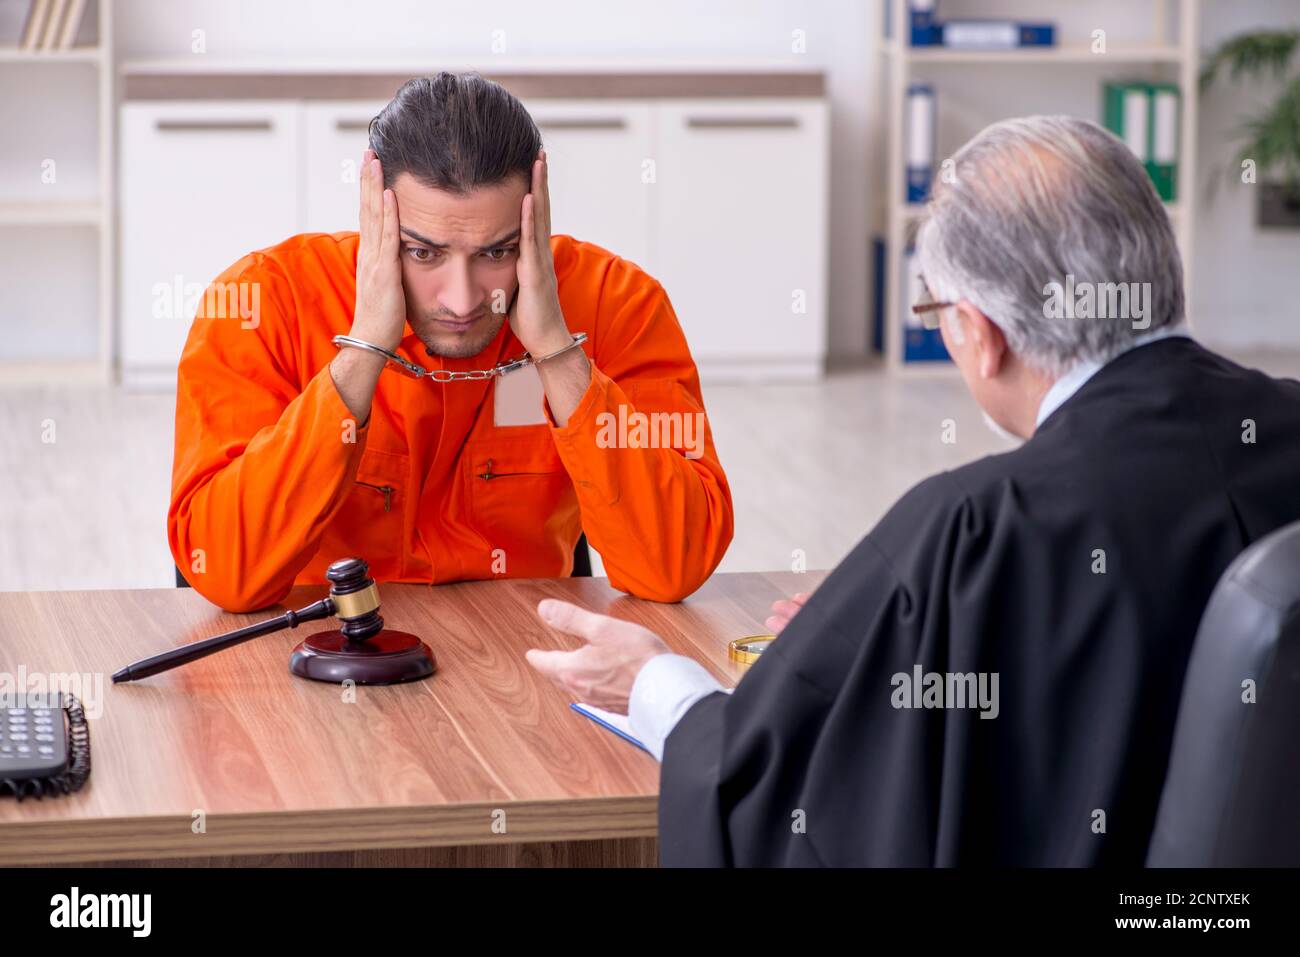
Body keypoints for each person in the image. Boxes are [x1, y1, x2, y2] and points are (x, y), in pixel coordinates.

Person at [526, 115, 1300, 866]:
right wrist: (894, 638)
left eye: (936, 313)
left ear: (981, 333)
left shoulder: (974, 532)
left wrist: (658, 684)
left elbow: (775, 796)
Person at [168, 73, 732, 612]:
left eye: (497, 252)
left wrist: (558, 353)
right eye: (423, 253)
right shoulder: (263, 301)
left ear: (536, 218)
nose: (462, 302)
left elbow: (674, 567)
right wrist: (363, 350)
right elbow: (224, 572)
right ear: (374, 216)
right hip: (318, 652)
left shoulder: (619, 303)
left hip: (526, 654)